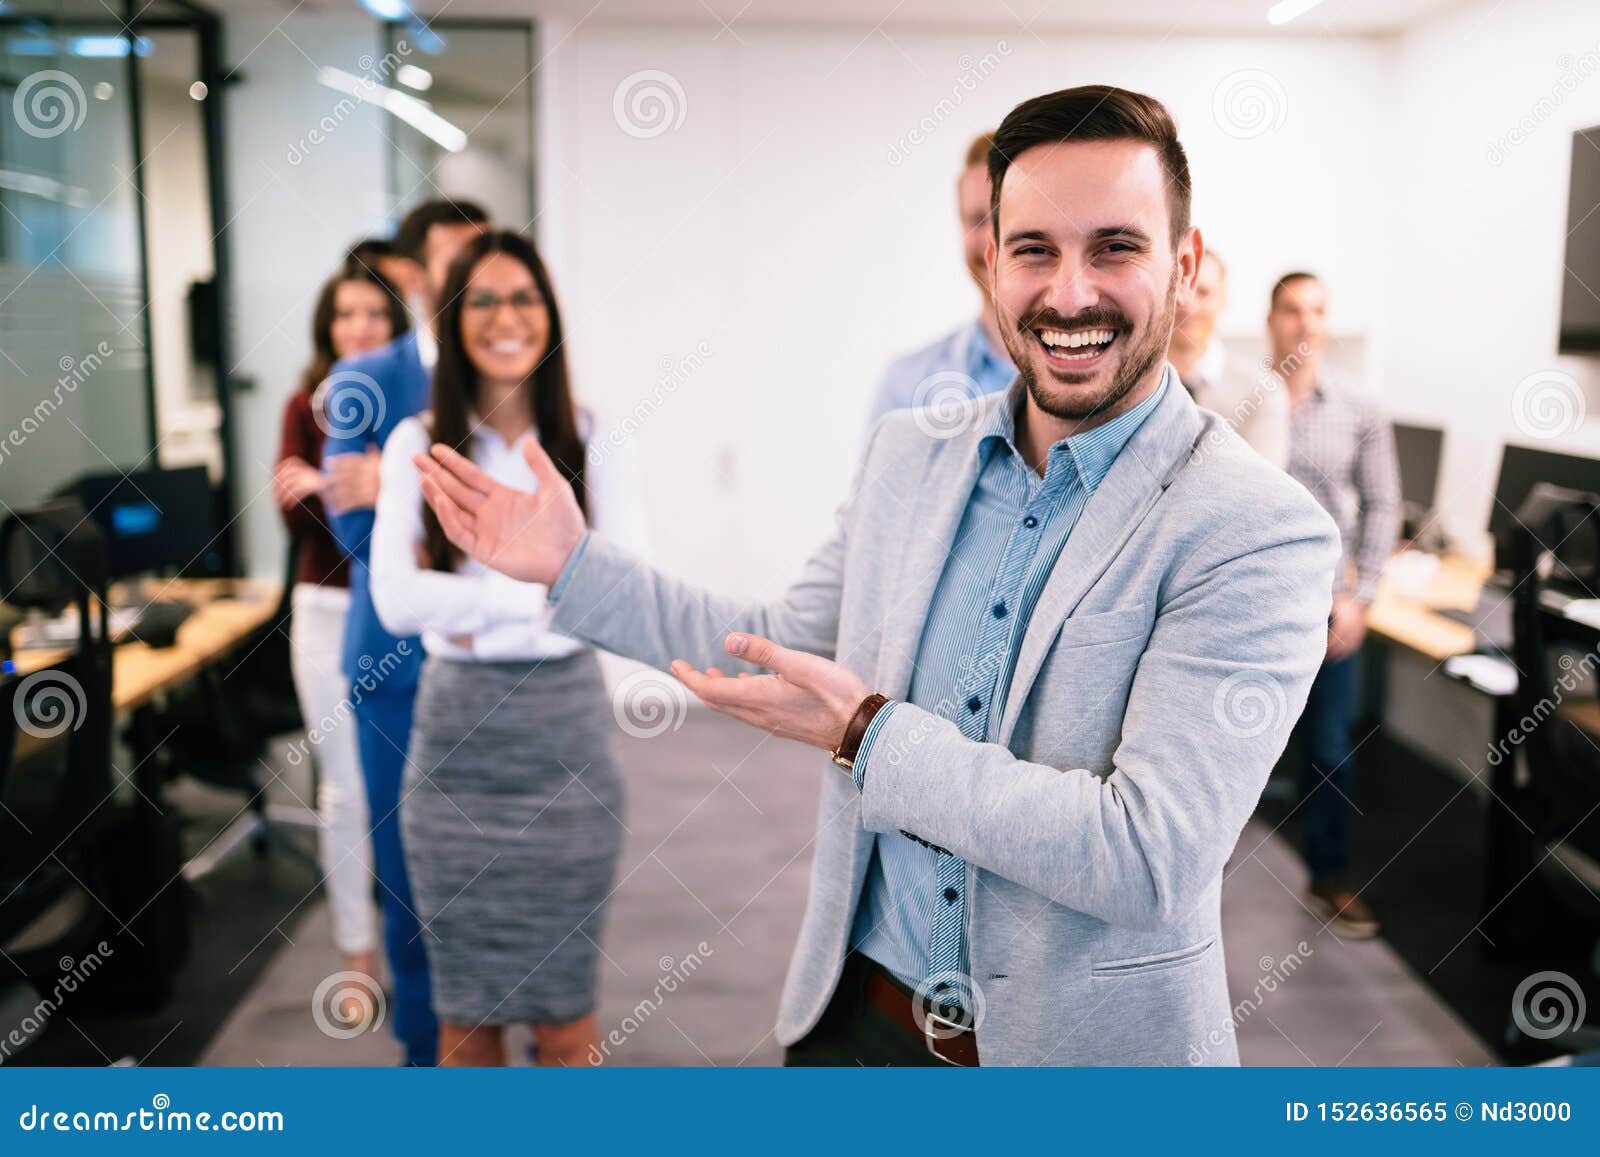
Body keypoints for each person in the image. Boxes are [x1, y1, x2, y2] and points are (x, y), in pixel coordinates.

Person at [415, 86, 1341, 1067]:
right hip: (859, 1021)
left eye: (1115, 246)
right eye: (1032, 249)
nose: (1069, 292)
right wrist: (573, 564)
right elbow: (777, 636)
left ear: (1185, 265)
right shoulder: (910, 455)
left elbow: (1146, 853)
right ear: (990, 265)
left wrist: (871, 735)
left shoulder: (1257, 527)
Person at [369, 231, 625, 1067]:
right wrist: (540, 591)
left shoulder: (593, 437)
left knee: (564, 1019)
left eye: (522, 297)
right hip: (458, 754)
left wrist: (484, 607)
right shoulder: (418, 441)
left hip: (567, 747)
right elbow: (396, 600)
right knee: (465, 1018)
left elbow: (622, 597)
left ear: (548, 315)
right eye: (481, 299)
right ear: (453, 318)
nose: (504, 317)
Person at [322, 197, 489, 1066]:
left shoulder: (516, 376)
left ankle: (496, 1045)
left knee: (497, 875)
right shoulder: (366, 381)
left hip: (502, 670)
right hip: (398, 666)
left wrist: (392, 486)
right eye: (454, 266)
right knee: (413, 882)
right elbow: (356, 540)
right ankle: (427, 1057)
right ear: (419, 276)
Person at [273, 262, 408, 1003]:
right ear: (327, 325)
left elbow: (417, 518)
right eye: (344, 314)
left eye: (374, 315)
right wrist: (356, 484)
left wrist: (342, 484)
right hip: (324, 611)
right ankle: (358, 953)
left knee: (410, 785)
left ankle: (419, 942)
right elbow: (297, 516)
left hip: (398, 610)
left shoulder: (414, 406)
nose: (358, 327)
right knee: (347, 789)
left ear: (394, 327)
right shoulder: (305, 404)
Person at [1272, 270, 1401, 940]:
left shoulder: (1359, 407)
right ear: (1272, 320)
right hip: (1251, 610)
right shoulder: (1244, 401)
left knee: (1330, 750)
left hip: (1327, 611)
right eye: (1292, 310)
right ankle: (1194, 891)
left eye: (1316, 311)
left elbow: (1383, 503)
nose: (1305, 324)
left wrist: (1363, 595)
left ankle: (1328, 877)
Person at [865, 132, 1014, 426]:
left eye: (1004, 217)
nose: (991, 242)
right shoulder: (905, 387)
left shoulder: (1098, 372)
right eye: (976, 220)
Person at [1168, 250, 1290, 467]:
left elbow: (1263, 485)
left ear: (1223, 301)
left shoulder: (1262, 390)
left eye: (1203, 292)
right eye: (1180, 289)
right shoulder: (1134, 384)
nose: (1189, 305)